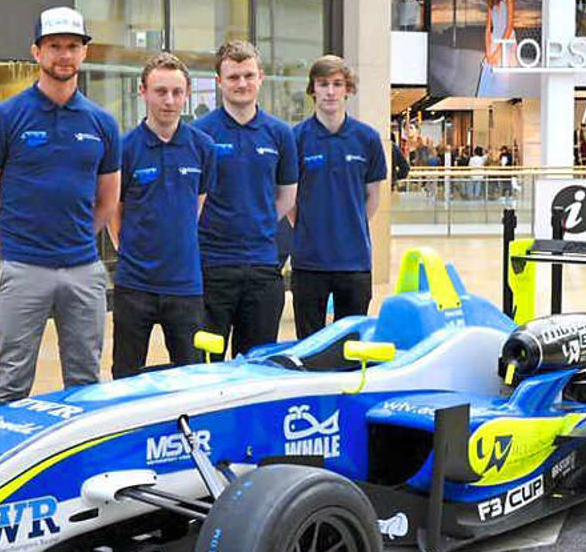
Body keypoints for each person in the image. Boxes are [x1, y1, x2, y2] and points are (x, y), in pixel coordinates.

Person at [0, 6, 120, 406]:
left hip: (83, 270)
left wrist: (80, 237)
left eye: (72, 46)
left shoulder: (102, 123)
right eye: (54, 46)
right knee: (12, 383)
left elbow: (108, 200)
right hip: (24, 270)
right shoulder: (5, 118)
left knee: (85, 383)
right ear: (36, 52)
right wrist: (10, 244)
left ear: (84, 53)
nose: (64, 55)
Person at [109, 52, 216, 379]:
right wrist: (129, 250)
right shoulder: (124, 149)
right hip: (134, 285)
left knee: (191, 377)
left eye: (177, 92)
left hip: (185, 285)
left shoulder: (203, 147)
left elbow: (197, 205)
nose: (169, 100)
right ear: (143, 91)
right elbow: (114, 210)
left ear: (186, 94)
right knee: (125, 377)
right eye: (160, 91)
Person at [194, 40, 299, 357]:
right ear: (219, 81)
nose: (242, 83)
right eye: (233, 77)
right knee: (205, 365)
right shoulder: (200, 133)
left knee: (255, 366)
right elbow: (191, 198)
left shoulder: (280, 133)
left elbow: (287, 195)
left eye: (249, 75)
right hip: (210, 267)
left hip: (263, 267)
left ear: (260, 77)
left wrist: (260, 220)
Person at [289, 55, 387, 340]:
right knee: (308, 346)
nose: (330, 91)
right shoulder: (296, 138)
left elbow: (373, 197)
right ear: (313, 90)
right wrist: (309, 228)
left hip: (354, 261)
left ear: (348, 89)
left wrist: (349, 226)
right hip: (309, 262)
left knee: (351, 347)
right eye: (323, 84)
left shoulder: (367, 139)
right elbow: (289, 200)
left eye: (337, 84)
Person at [478, 0, 516, 96]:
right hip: (495, 40)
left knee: (502, 81)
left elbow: (509, 26)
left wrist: (498, 52)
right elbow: (488, 29)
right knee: (486, 77)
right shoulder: (490, 2)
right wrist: (488, 52)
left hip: (507, 41)